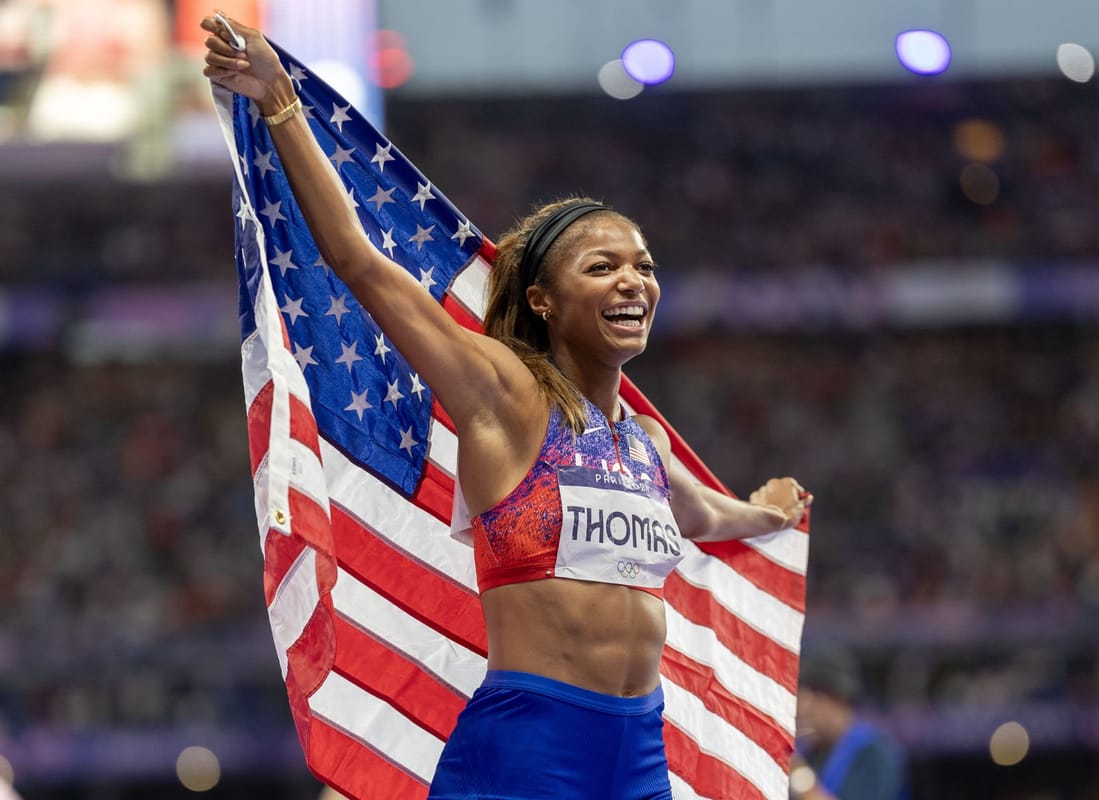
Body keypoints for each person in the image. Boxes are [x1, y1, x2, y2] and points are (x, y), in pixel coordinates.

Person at [201, 15, 812, 800]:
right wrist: (281, 100)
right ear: (543, 301)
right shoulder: (504, 394)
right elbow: (358, 261)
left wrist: (766, 512)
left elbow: (706, 518)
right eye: (604, 266)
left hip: (637, 754)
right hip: (529, 749)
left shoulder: (645, 443)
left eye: (645, 267)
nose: (635, 281)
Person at [790, 644, 909, 800]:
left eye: (816, 699)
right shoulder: (811, 752)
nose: (804, 710)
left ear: (841, 700)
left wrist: (799, 776)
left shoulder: (874, 754)